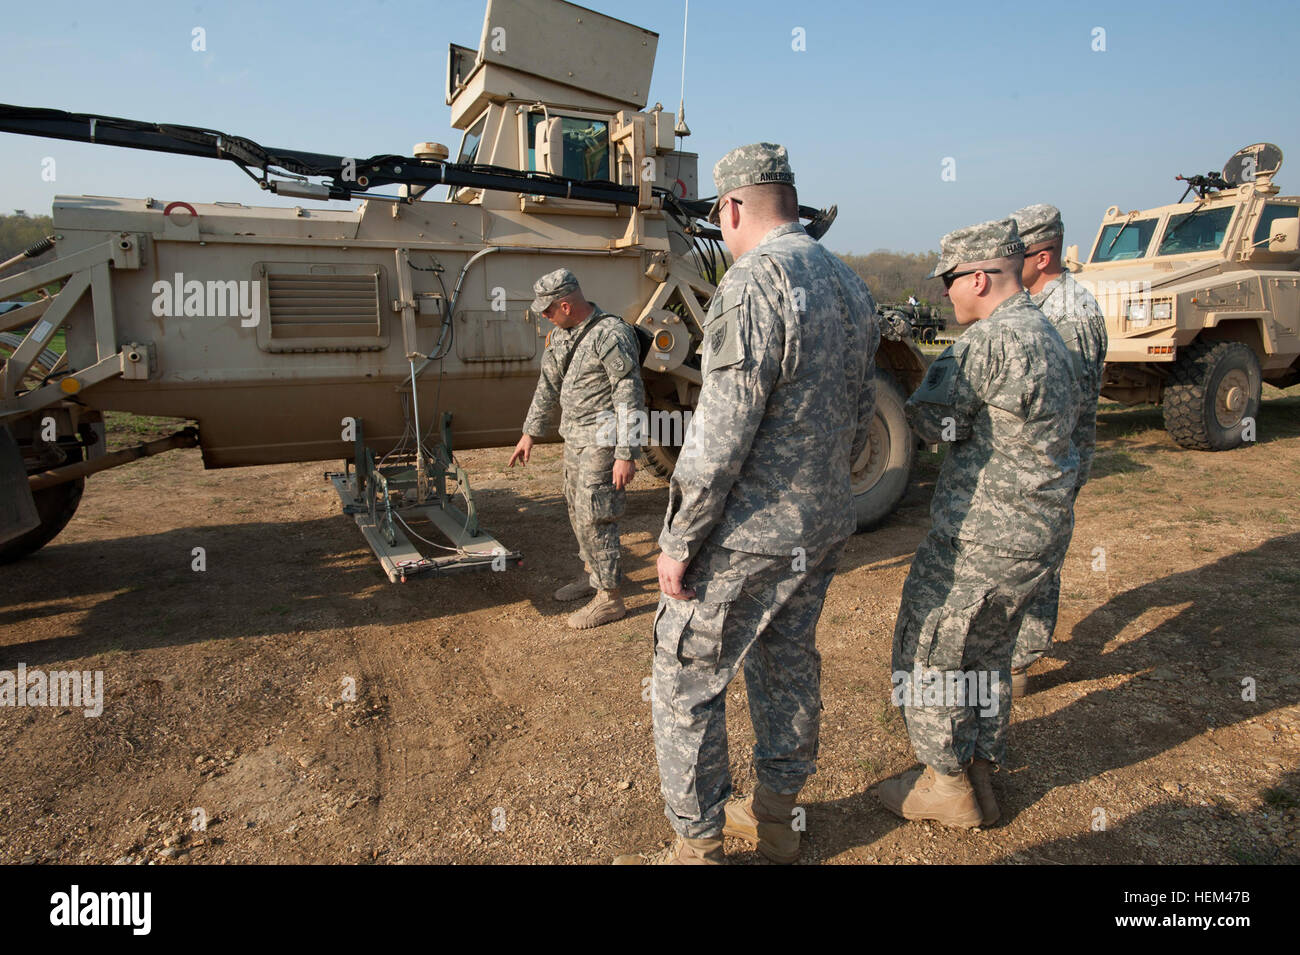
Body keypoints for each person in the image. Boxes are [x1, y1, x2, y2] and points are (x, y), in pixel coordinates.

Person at [616, 143, 880, 864]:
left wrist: (678, 539)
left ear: (732, 207)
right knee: (786, 659)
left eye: (718, 219)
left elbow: (720, 433)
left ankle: (698, 845)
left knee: (683, 676)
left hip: (750, 532)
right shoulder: (852, 287)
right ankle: (775, 820)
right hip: (821, 521)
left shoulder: (753, 282)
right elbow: (861, 421)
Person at [878, 218, 1079, 829]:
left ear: (982, 277)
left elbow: (930, 424)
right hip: (1037, 533)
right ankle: (979, 764)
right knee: (987, 653)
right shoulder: (1049, 331)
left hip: (983, 537)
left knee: (933, 650)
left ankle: (945, 781)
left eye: (950, 280)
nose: (945, 294)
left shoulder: (987, 343)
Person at [1008, 203, 1109, 695]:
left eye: (1017, 254)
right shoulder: (1039, 307)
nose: (1008, 264)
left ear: (1042, 256)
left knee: (1039, 559)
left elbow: (1067, 405)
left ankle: (1018, 663)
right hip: (1033, 464)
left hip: (1051, 464)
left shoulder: (1070, 315)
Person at [508, 269, 643, 630]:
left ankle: (610, 598)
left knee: (596, 514)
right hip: (574, 438)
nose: (544, 317)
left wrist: (626, 453)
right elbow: (547, 385)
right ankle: (592, 575)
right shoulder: (560, 336)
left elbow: (628, 394)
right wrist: (529, 434)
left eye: (548, 310)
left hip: (602, 439)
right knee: (575, 508)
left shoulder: (611, 334)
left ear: (565, 304)